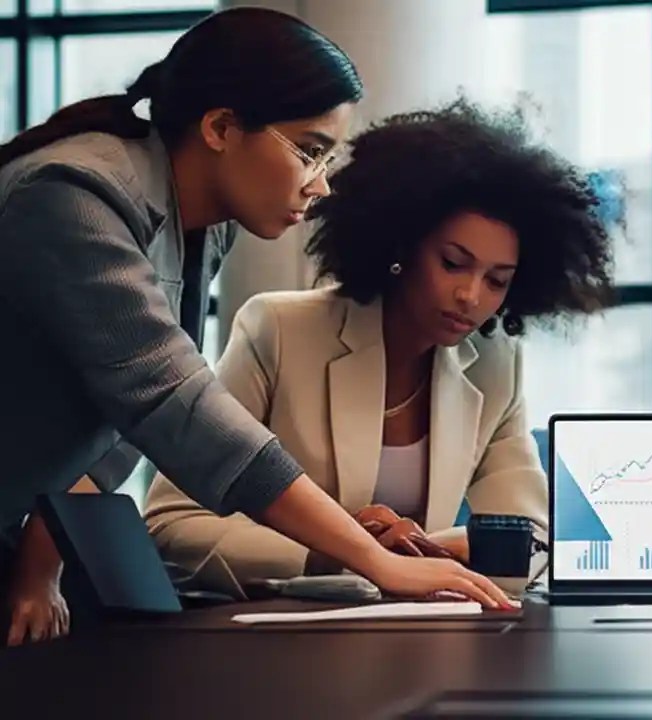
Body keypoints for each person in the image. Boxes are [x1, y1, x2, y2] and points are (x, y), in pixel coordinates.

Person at [0, 8, 512, 647]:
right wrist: (374, 559)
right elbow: (172, 401)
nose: (320, 184)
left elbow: (128, 413)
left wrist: (39, 560)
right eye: (311, 151)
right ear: (220, 127)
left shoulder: (204, 221)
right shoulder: (75, 193)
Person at [144, 99, 616, 595]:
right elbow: (173, 522)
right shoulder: (279, 330)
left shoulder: (495, 363)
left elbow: (531, 535)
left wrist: (424, 550)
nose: (471, 296)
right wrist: (341, 551)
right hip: (283, 634)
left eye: (498, 280)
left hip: (422, 628)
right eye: (453, 263)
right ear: (400, 246)